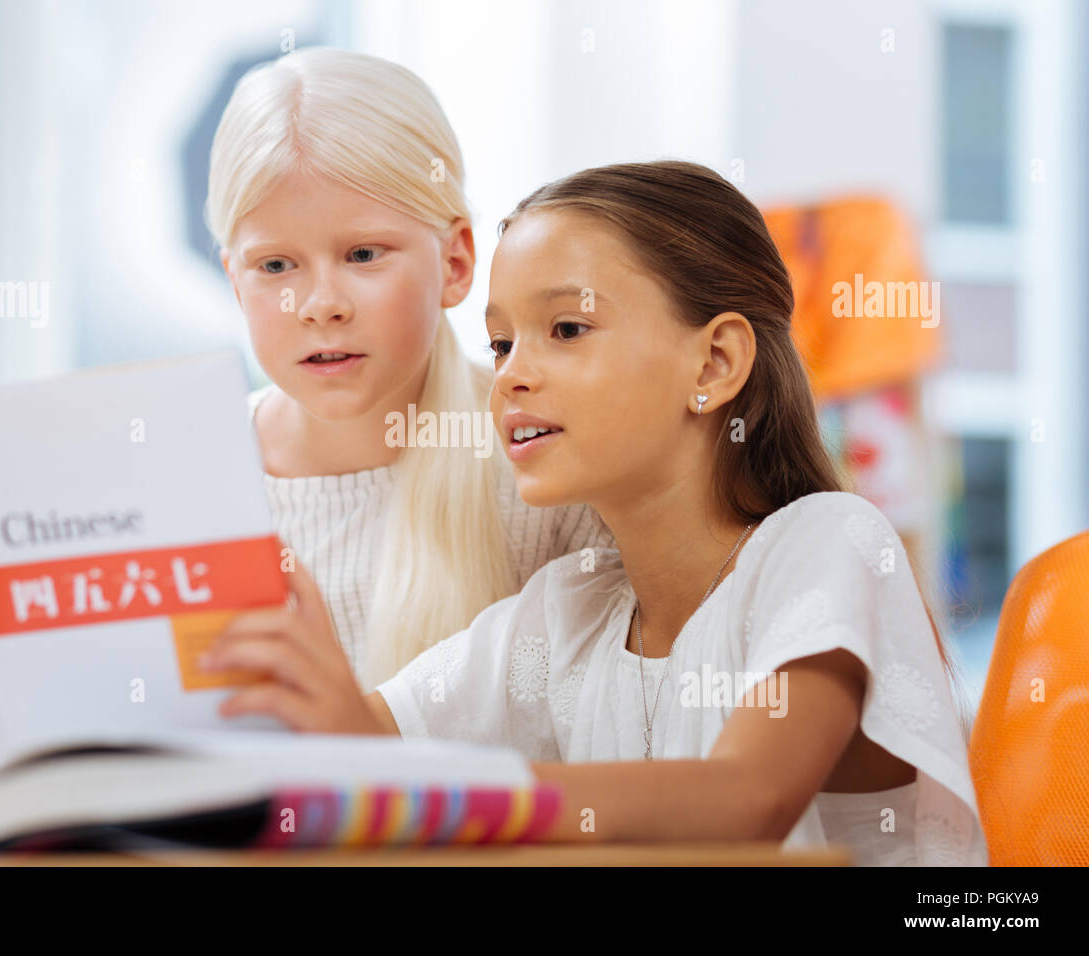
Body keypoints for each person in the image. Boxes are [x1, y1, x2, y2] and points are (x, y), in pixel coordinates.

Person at [198, 160, 988, 865]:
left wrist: (423, 782)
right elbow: (372, 742)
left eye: (566, 329)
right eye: (501, 345)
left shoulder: (825, 542)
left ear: (714, 362)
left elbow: (743, 802)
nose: (508, 378)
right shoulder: (563, 613)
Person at [0, 47, 611, 744]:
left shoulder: (547, 462)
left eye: (362, 254)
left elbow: (594, 753)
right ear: (233, 279)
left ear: (454, 262)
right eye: (276, 266)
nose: (320, 303)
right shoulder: (159, 477)